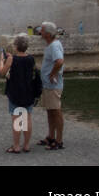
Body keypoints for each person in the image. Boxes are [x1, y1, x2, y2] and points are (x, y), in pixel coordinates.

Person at [0, 33, 36, 154]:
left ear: (15, 46)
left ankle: (16, 146)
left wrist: (1, 61)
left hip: (15, 92)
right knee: (27, 117)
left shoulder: (11, 59)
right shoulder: (31, 58)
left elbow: (2, 72)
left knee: (17, 119)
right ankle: (26, 145)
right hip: (28, 91)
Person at [38, 22, 65, 150]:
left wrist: (53, 74)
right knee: (50, 110)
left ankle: (59, 140)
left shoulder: (54, 46)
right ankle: (51, 136)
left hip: (53, 85)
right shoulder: (51, 45)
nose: (40, 32)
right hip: (48, 85)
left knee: (56, 111)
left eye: (42, 30)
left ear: (48, 34)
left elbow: (59, 61)